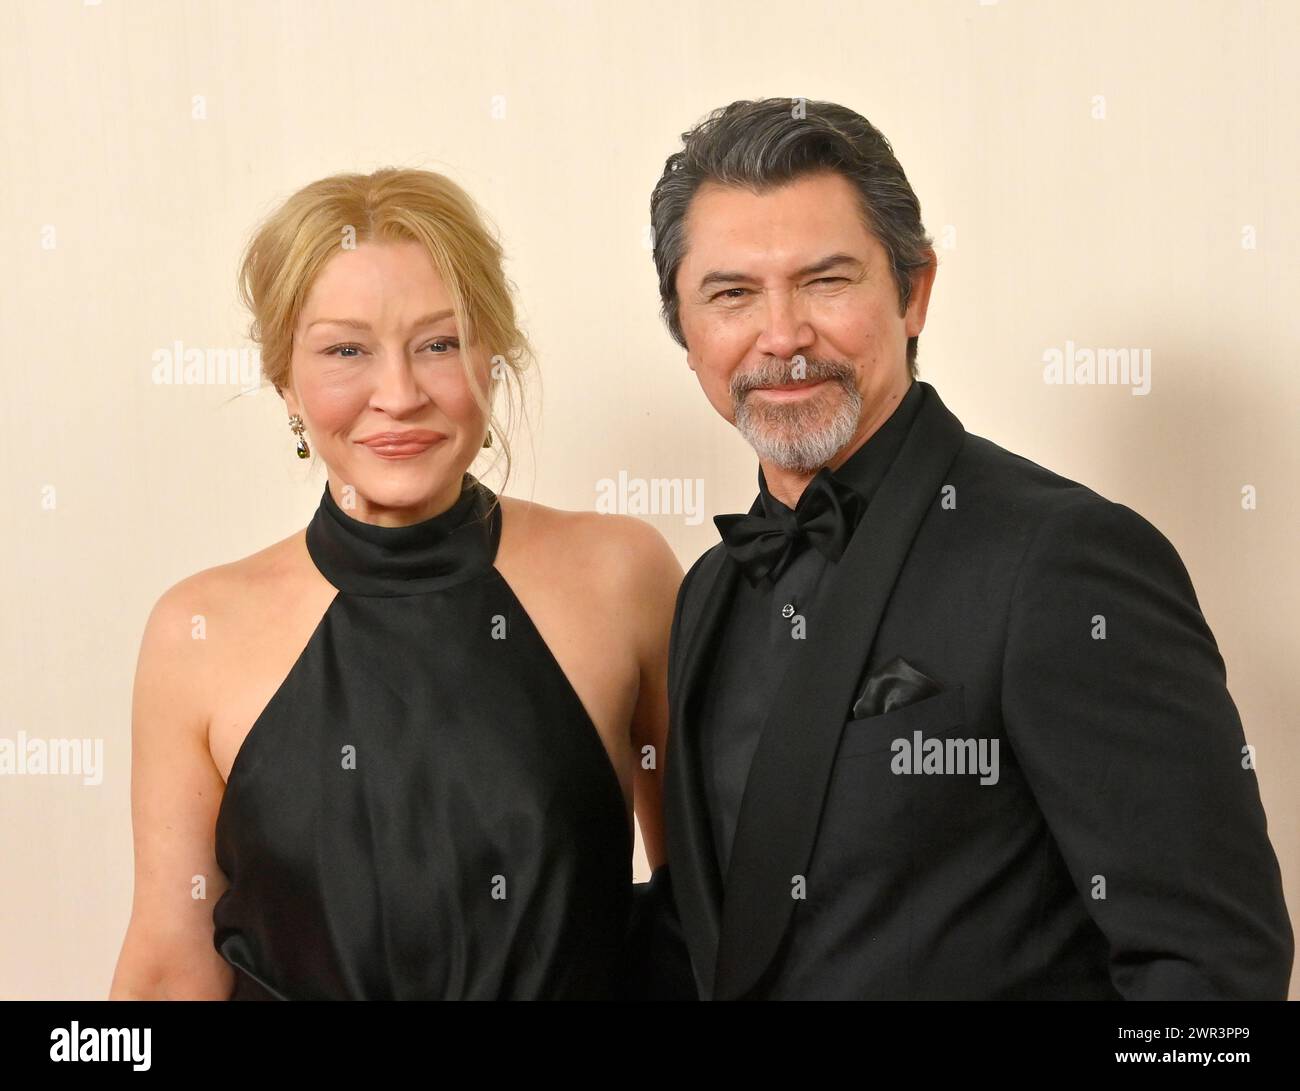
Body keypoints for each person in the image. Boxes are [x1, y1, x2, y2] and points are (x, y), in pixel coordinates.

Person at [648, 97, 1294, 999]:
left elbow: (1216, 970)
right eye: (732, 294)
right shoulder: (711, 587)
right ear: (686, 332)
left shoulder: (1063, 558)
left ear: (913, 292)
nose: (783, 335)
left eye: (826, 281)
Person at [109, 167, 683, 1000]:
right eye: (346, 350)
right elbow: (168, 963)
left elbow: (702, 921)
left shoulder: (622, 574)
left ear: (494, 357)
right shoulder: (194, 630)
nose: (400, 395)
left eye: (439, 343)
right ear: (285, 382)